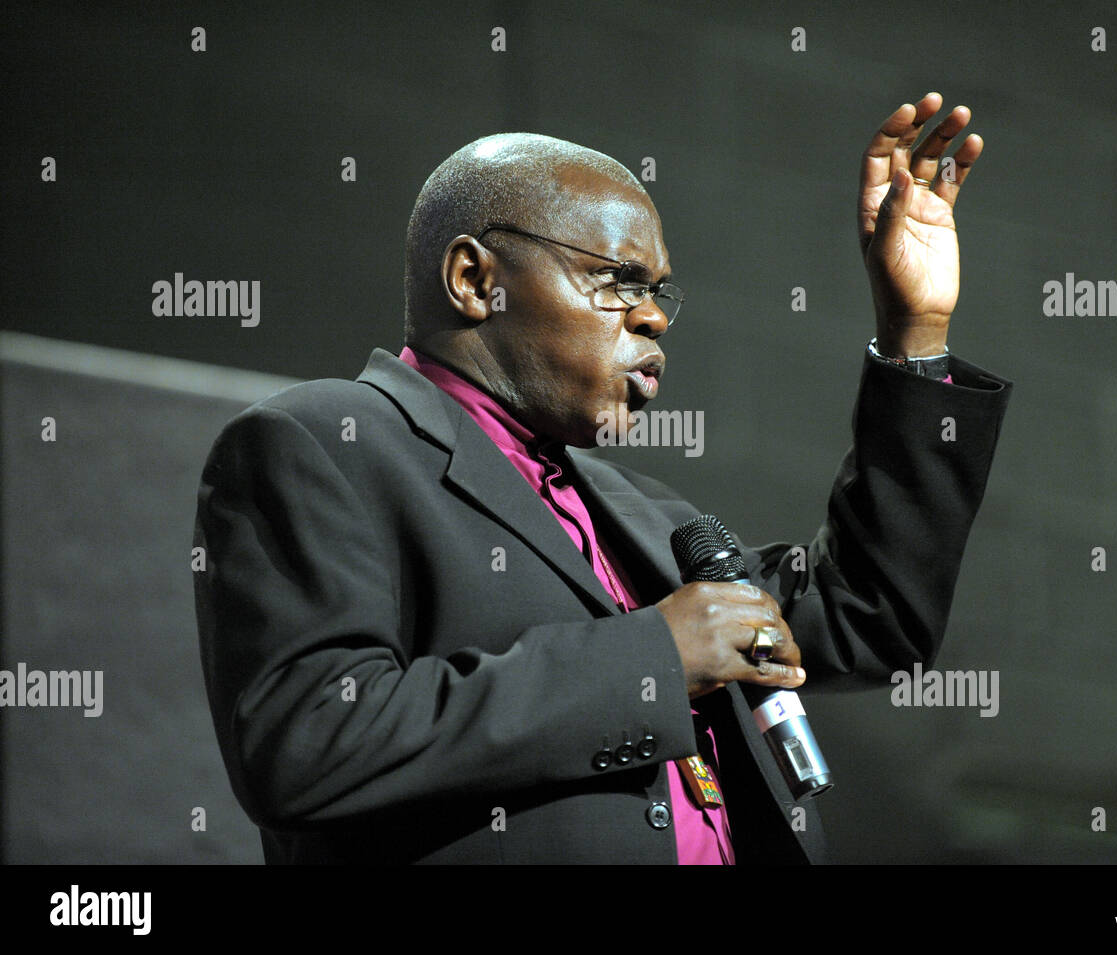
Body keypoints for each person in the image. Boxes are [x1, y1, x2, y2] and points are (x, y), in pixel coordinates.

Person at [193, 92, 1012, 864]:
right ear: (477, 281)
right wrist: (654, 656)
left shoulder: (644, 515)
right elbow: (306, 741)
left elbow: (868, 616)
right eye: (619, 281)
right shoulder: (326, 443)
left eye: (659, 293)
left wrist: (916, 335)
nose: (654, 316)